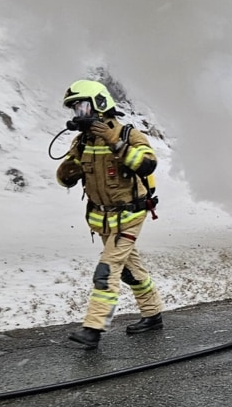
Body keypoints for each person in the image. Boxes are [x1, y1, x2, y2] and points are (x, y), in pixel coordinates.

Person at [55, 79, 164, 349]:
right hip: (102, 220)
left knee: (107, 270)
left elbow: (147, 165)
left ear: (99, 104)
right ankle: (153, 314)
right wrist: (69, 168)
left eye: (80, 107)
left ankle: (92, 329)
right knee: (130, 269)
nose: (77, 114)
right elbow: (67, 179)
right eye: (74, 110)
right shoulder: (82, 142)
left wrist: (114, 141)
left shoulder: (129, 135)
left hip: (129, 216)